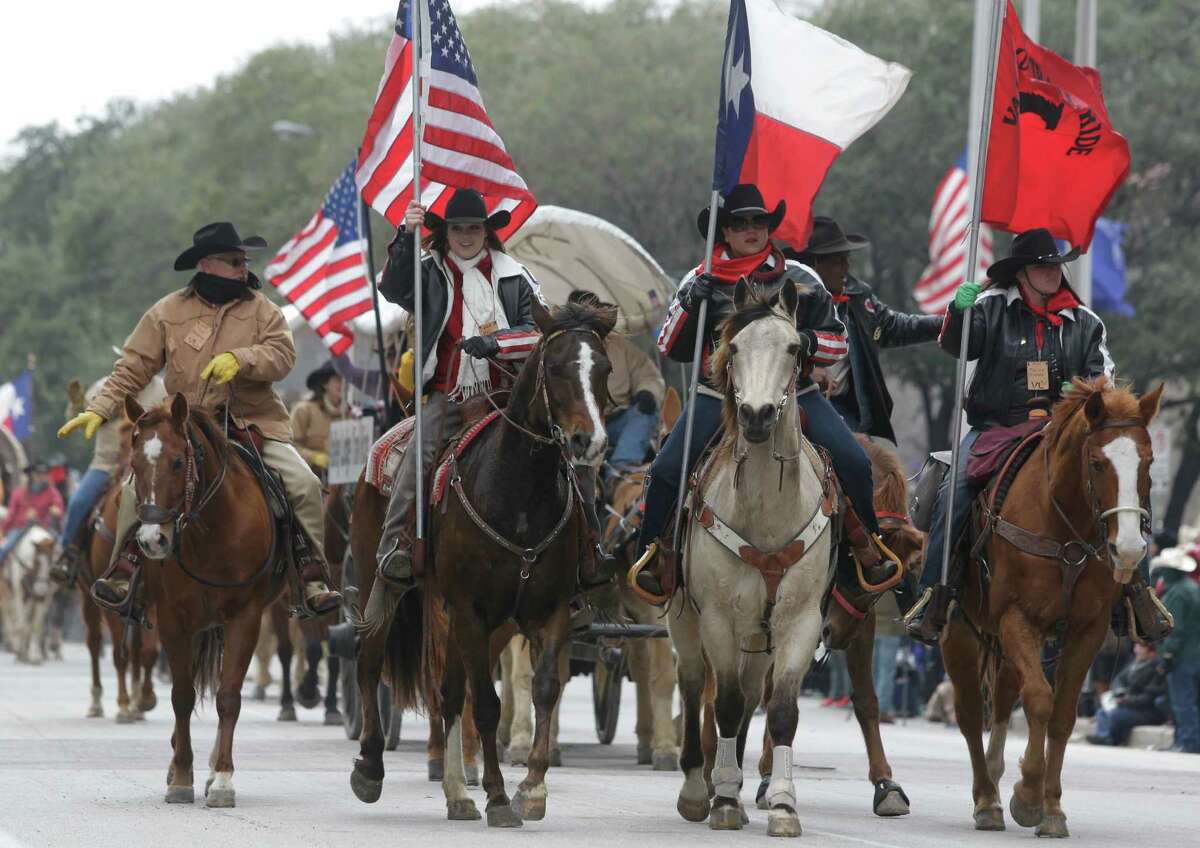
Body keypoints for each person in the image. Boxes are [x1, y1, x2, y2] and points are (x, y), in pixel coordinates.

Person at [57, 222, 341, 616]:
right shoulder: (166, 311)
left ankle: (312, 574)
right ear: (207, 264)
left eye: (244, 261)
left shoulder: (264, 310)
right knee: (131, 490)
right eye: (234, 261)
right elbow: (133, 368)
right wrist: (98, 408)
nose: (243, 268)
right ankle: (124, 569)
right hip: (183, 426)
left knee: (305, 484)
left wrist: (241, 360)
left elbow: (282, 356)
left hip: (253, 424)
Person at [632, 184, 900, 598]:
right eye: (740, 223)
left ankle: (867, 546)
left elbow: (838, 341)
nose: (751, 229)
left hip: (796, 393)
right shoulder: (697, 278)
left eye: (758, 221)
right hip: (714, 396)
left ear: (769, 227)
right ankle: (655, 552)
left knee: (854, 461)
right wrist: (690, 303)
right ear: (725, 231)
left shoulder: (801, 277)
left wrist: (807, 341)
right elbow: (669, 346)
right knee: (667, 469)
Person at [904, 228, 1168, 644]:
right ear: (1022, 273)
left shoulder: (1086, 321)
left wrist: (1085, 394)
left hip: (1063, 432)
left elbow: (1104, 380)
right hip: (995, 427)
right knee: (953, 492)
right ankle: (936, 594)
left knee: (1125, 486)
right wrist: (958, 311)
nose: (1051, 274)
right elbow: (959, 347)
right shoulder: (991, 307)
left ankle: (1136, 595)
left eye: (1055, 267)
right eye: (1042, 267)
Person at [374, 188, 544, 589]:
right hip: (448, 394)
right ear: (445, 233)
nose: (465, 236)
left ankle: (584, 555)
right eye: (457, 229)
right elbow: (391, 287)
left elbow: (539, 333)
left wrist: (497, 343)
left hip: (509, 394)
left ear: (487, 232)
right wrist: (405, 236)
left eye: (473, 228)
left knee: (567, 453)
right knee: (419, 455)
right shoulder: (426, 272)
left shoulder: (515, 276)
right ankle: (394, 546)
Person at [793, 216, 943, 441]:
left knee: (871, 464)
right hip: (795, 402)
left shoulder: (857, 296)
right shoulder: (791, 299)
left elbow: (892, 326)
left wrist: (947, 321)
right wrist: (802, 371)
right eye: (837, 261)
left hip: (846, 408)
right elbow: (771, 348)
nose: (846, 268)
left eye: (847, 259)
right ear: (814, 265)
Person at [51, 375, 166, 583]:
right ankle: (67, 553)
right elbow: (77, 417)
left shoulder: (162, 390)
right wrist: (76, 403)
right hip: (104, 464)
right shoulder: (103, 386)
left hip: (143, 466)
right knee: (78, 502)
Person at [567, 289, 665, 472]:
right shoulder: (561, 349)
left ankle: (621, 471)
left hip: (615, 421)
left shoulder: (619, 346)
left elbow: (649, 375)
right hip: (575, 428)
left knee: (646, 411)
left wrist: (647, 393)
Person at [1151, 548, 1200, 753]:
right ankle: (1183, 738)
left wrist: (1166, 657)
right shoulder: (1191, 587)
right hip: (1193, 652)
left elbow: (1174, 629)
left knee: (1182, 701)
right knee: (1186, 699)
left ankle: (1187, 741)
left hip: (1182, 655)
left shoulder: (1177, 592)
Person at [1085, 642, 1167, 746]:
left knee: (1116, 714)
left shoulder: (1156, 670)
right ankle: (1103, 736)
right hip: (1128, 704)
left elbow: (1148, 698)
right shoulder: (1133, 665)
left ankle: (1111, 739)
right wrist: (1119, 693)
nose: (1136, 650)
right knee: (1102, 712)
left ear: (1151, 653)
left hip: (1146, 711)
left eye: (1141, 648)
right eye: (1136, 647)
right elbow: (1119, 680)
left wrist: (1125, 701)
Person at [0, 462, 65, 564]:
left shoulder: (52, 492)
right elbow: (11, 515)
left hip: (43, 526)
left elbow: (59, 508)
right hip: (21, 527)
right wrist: (3, 530)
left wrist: (56, 511)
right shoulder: (19, 493)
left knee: (60, 548)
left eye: (43, 474)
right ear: (32, 475)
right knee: (5, 548)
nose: (40, 477)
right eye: (38, 474)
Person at [290, 362, 346, 479]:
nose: (344, 385)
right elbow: (290, 447)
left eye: (346, 380)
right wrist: (314, 457)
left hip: (343, 481)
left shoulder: (350, 415)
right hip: (309, 476)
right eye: (338, 380)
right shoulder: (304, 410)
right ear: (325, 383)